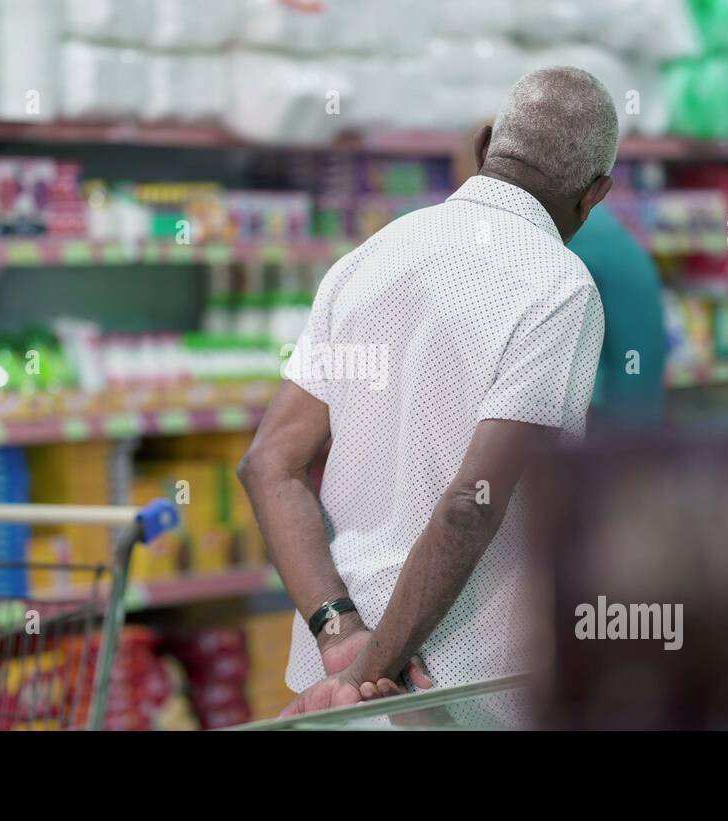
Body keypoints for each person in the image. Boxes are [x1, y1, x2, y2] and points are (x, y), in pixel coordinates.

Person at [237, 67, 618, 716]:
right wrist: (371, 669)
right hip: (462, 684)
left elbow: (270, 462)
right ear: (595, 195)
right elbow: (470, 505)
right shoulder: (560, 287)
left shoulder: (367, 258)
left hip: (338, 681)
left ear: (485, 144)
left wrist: (342, 636)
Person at [569, 205, 668, 427]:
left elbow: (579, 395)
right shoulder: (596, 224)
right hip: (640, 416)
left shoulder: (570, 237)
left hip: (603, 429)